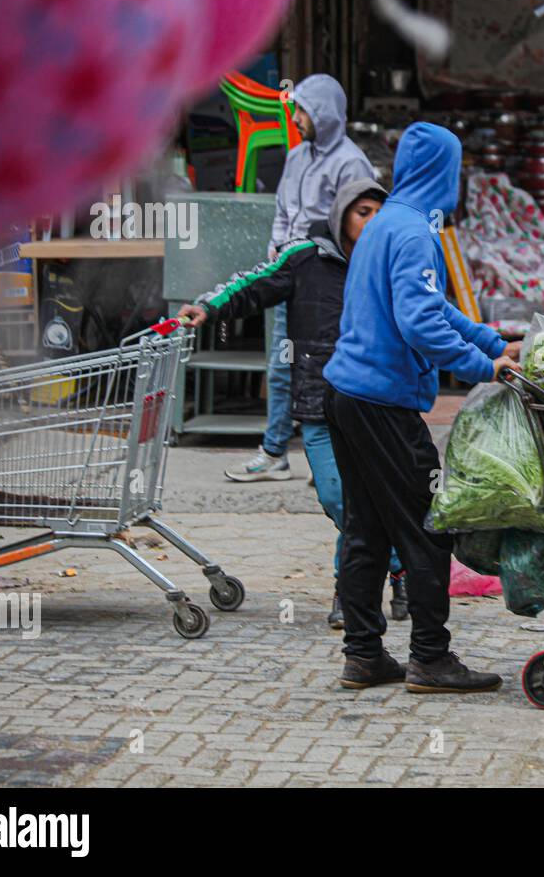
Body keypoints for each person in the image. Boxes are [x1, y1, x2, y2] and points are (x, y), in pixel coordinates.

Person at [323, 122, 521, 693]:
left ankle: (363, 655)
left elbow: (437, 310)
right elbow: (421, 324)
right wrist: (486, 369)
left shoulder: (387, 224)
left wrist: (491, 343)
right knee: (430, 528)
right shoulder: (414, 233)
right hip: (382, 404)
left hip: (348, 396)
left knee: (368, 531)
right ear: (442, 173)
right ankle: (431, 658)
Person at [177, 180, 410, 630]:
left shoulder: (390, 263)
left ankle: (350, 593)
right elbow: (254, 284)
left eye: (380, 212)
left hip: (374, 404)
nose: (373, 221)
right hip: (318, 405)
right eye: (363, 211)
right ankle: (396, 562)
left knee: (368, 497)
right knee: (338, 497)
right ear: (342, 214)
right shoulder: (305, 257)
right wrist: (210, 306)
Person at [228, 74, 376, 484]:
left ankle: (333, 453)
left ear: (324, 113)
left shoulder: (351, 162)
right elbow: (282, 212)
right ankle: (275, 451)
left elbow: (361, 228)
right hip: (290, 279)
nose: (295, 117)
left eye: (302, 109)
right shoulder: (296, 158)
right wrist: (276, 248)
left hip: (329, 289)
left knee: (330, 370)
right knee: (281, 366)